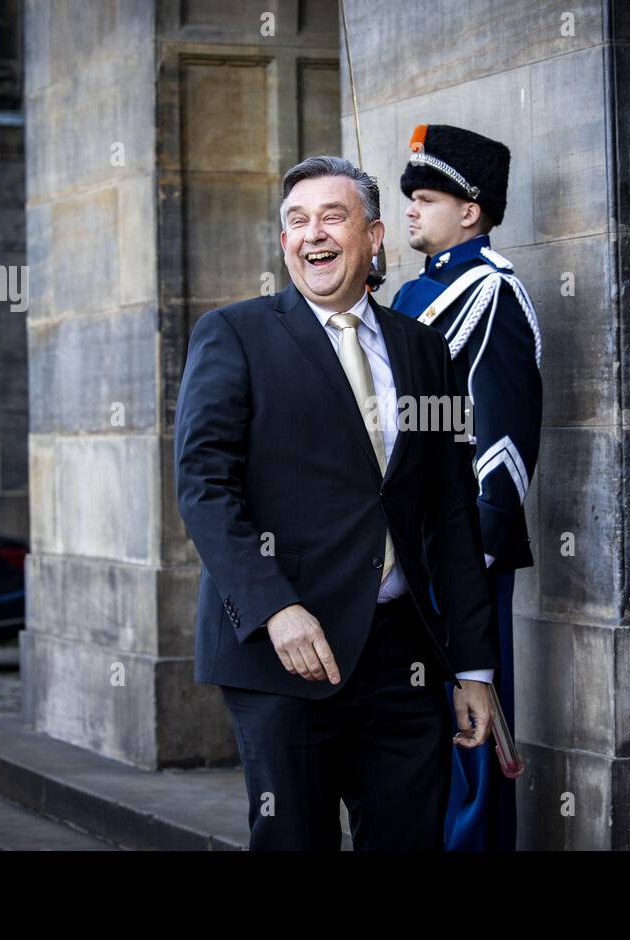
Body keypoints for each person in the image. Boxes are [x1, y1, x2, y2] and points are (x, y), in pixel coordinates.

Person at [174, 155, 498, 850]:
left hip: (403, 658)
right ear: (284, 241)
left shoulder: (423, 350)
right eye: (297, 221)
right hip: (285, 655)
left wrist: (473, 669)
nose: (312, 234)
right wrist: (275, 608)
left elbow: (451, 512)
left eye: (332, 217)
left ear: (373, 236)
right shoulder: (234, 334)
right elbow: (203, 486)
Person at [392, 125, 543, 851]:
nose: (411, 211)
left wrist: (476, 545)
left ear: (470, 210)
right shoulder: (412, 291)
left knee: (470, 725)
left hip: (460, 547)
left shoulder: (493, 292)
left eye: (426, 199)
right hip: (404, 543)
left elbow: (506, 430)